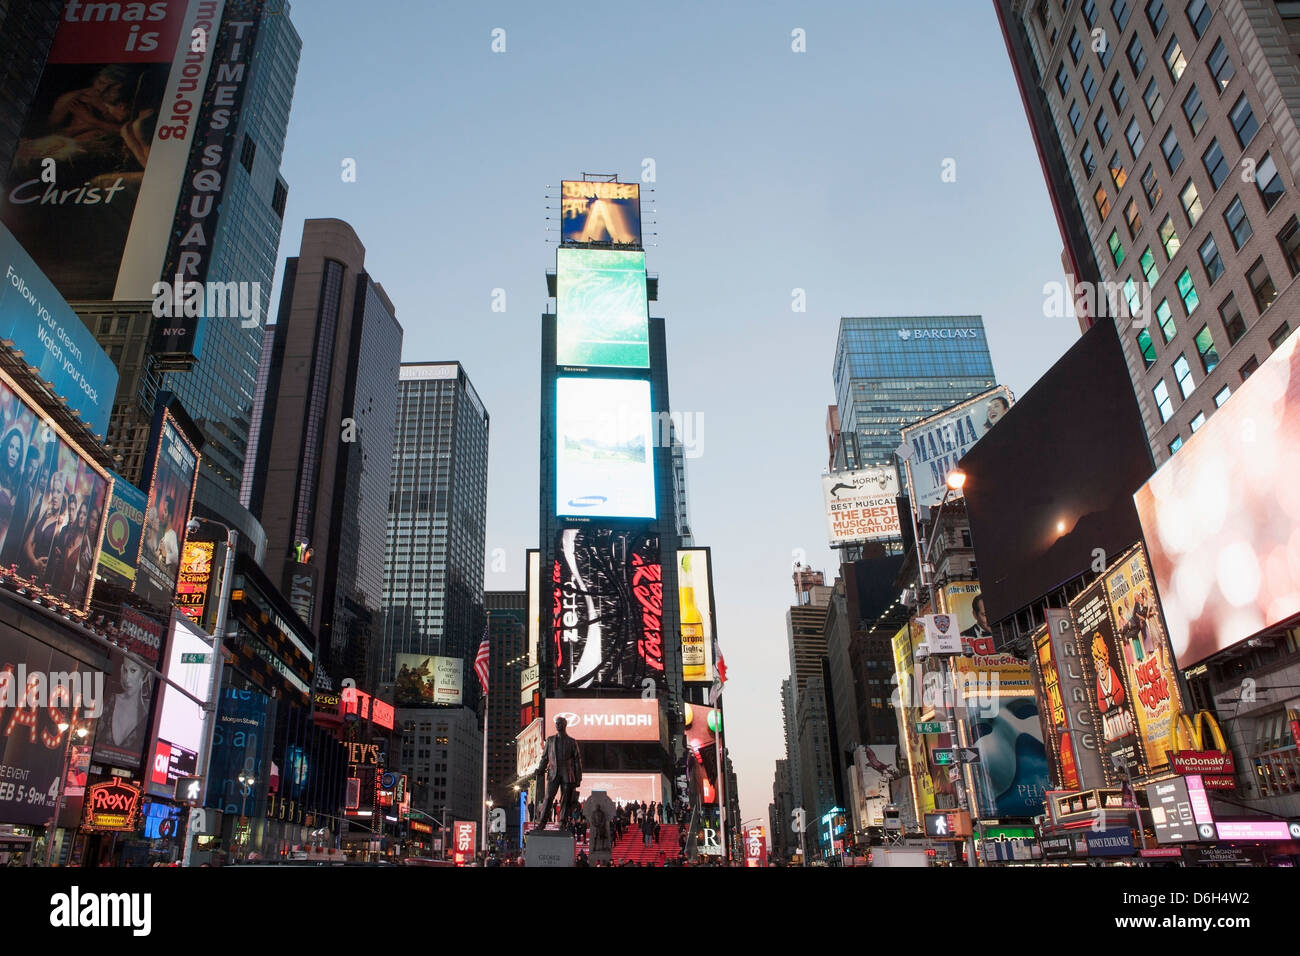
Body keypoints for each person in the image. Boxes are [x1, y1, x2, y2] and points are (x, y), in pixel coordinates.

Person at [535, 716, 582, 828]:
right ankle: (542, 822)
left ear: (565, 725)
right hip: (553, 773)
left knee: (565, 799)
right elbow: (545, 758)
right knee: (548, 797)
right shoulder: (550, 740)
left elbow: (577, 760)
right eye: (556, 723)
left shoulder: (572, 742)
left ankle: (562, 822)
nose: (558, 725)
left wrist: (578, 777)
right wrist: (541, 769)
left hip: (567, 774)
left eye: (560, 723)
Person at [21, 472, 67, 579]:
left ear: (63, 495)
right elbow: (27, 544)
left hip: (44, 576)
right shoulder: (44, 515)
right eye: (53, 491)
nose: (55, 495)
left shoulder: (62, 523)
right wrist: (34, 562)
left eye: (58, 492)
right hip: (28, 568)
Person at [101, 656, 151, 754]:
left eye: (133, 670)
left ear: (144, 674)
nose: (127, 678)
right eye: (125, 670)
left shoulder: (148, 717)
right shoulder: (110, 701)